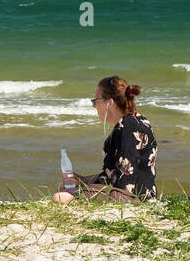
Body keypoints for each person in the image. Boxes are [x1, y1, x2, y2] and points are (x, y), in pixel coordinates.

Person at [54, 75, 158, 203]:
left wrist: (86, 190)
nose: (94, 106)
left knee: (60, 196)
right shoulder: (139, 120)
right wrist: (82, 181)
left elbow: (124, 181)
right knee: (67, 190)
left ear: (109, 103)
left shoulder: (127, 127)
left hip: (131, 197)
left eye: (95, 101)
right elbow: (116, 172)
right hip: (141, 193)